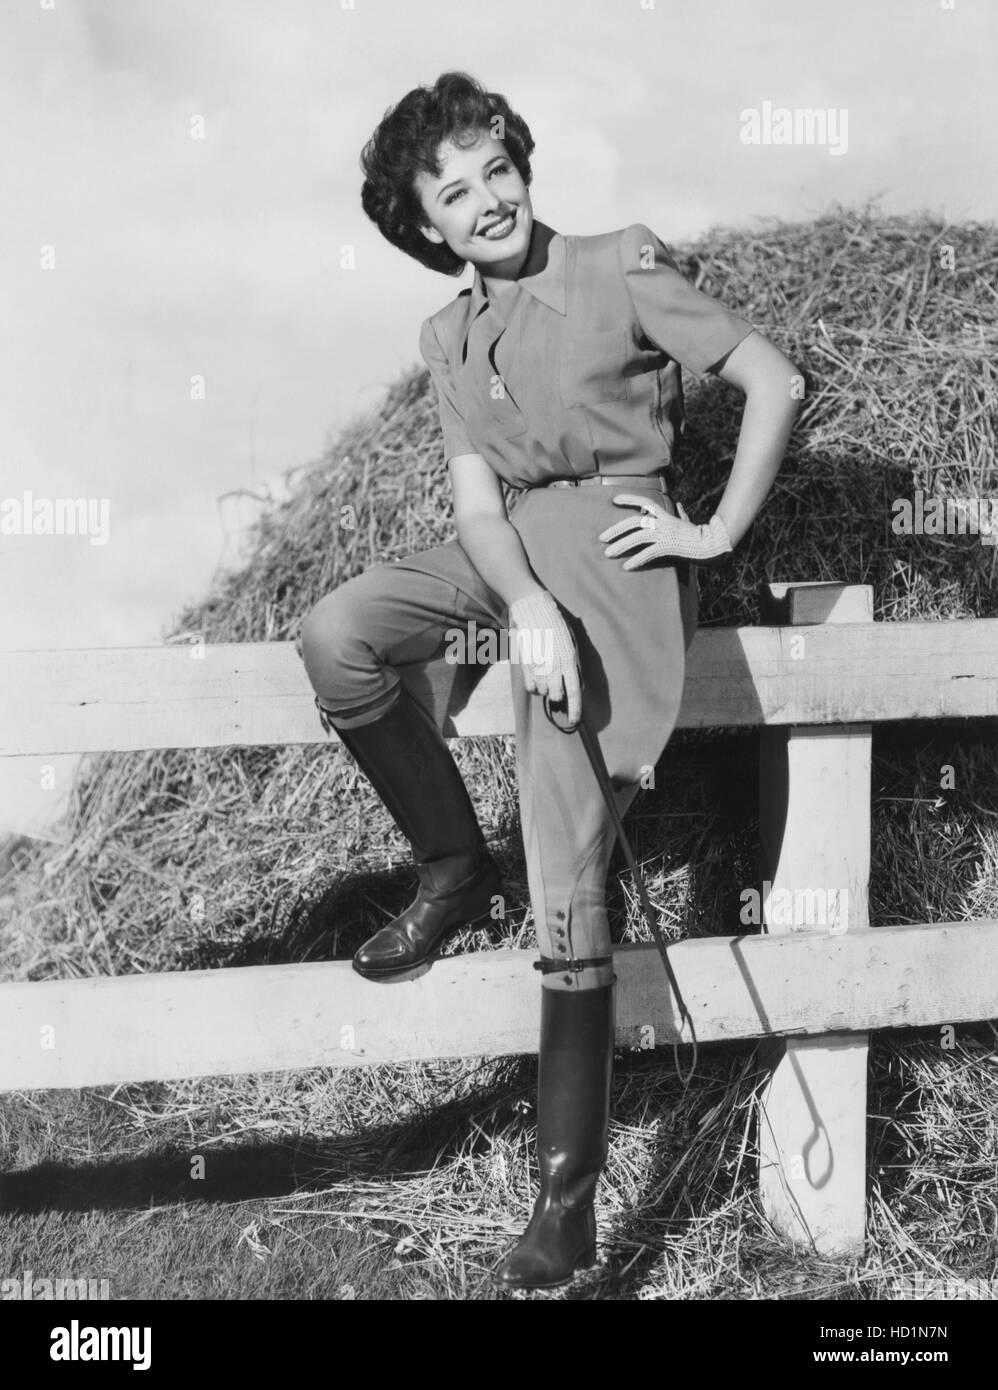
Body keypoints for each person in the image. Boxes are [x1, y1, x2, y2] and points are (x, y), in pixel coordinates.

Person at [300, 71, 800, 1290]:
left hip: (617, 552)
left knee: (567, 835)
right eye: (453, 192)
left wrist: (713, 534)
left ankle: (563, 1205)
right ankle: (451, 865)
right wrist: (520, 602)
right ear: (422, 225)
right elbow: (476, 503)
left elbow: (771, 379)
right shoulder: (445, 336)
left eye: (497, 171)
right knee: (337, 633)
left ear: (523, 165)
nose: (486, 201)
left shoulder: (616, 263)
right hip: (509, 552)